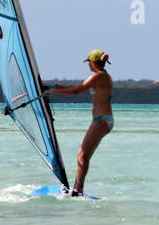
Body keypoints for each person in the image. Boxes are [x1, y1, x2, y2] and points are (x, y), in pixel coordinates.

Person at [43, 49, 114, 197]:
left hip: (102, 120)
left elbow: (77, 91)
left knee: (82, 155)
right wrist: (59, 88)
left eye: (89, 62)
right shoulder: (103, 76)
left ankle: (77, 191)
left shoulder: (98, 76)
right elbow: (79, 88)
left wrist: (53, 92)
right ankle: (77, 189)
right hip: (102, 120)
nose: (88, 65)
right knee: (84, 155)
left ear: (92, 62)